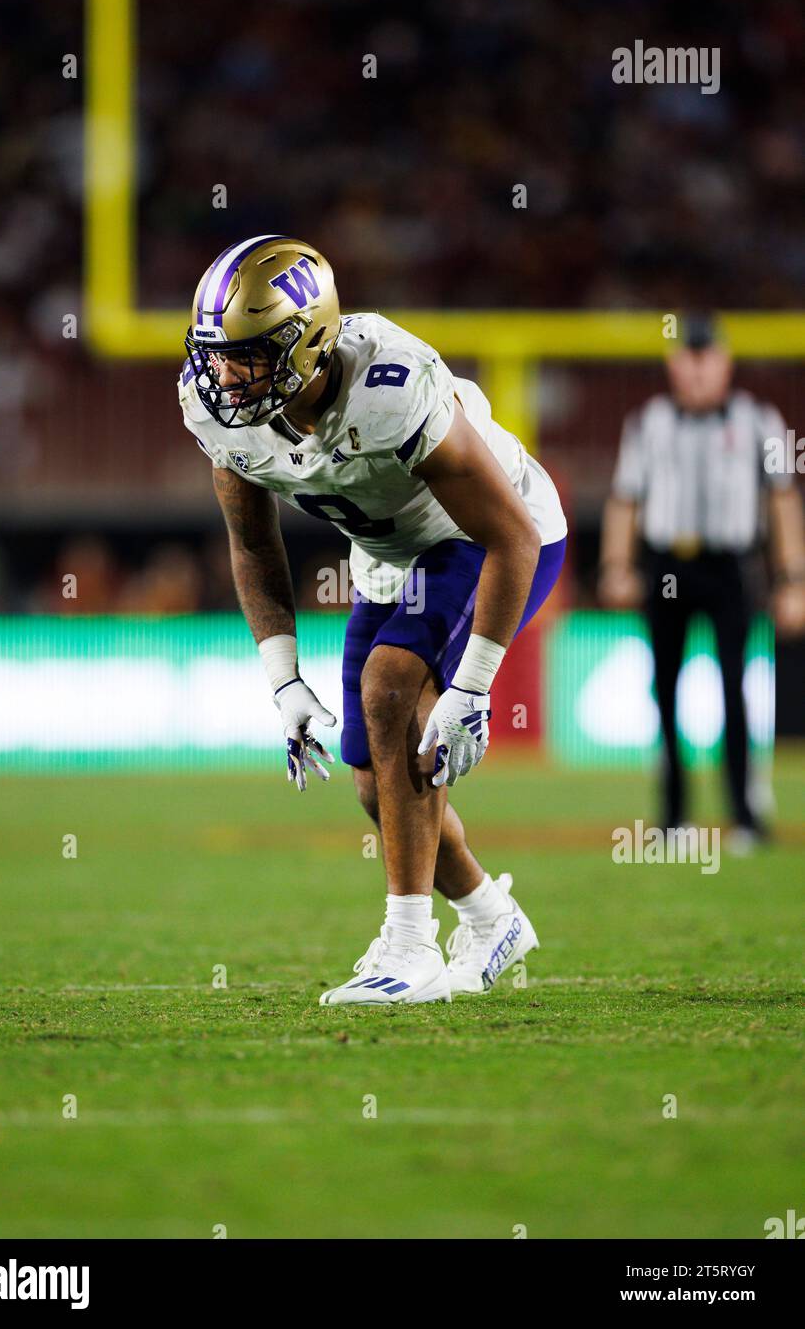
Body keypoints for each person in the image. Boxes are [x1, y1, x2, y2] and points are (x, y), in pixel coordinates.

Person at [179, 235, 567, 1003]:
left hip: (485, 536)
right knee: (379, 786)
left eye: (247, 355)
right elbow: (254, 545)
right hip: (388, 558)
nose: (223, 374)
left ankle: (409, 948)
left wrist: (471, 691)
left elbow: (510, 535)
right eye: (215, 353)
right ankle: (491, 920)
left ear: (308, 346)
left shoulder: (391, 385)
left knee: (392, 690)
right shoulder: (217, 408)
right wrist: (283, 680)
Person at [599, 315, 805, 852]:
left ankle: (745, 815)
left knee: (736, 688)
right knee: (663, 689)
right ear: (673, 365)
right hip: (666, 565)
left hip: (731, 566)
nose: (694, 371)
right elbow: (626, 498)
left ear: (724, 362)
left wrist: (793, 579)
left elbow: (782, 501)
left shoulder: (760, 419)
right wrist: (616, 567)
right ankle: (672, 819)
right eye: (685, 360)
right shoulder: (647, 423)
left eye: (704, 358)